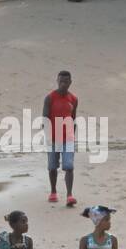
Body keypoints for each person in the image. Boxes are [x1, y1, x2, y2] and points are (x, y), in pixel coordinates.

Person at [42, 70, 78, 207]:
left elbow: (73, 118)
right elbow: (45, 119)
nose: (63, 84)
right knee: (52, 167)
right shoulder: (50, 98)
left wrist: (72, 135)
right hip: (53, 138)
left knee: (69, 166)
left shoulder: (73, 99)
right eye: (61, 81)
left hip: (68, 138)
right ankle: (53, 191)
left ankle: (69, 195)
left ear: (70, 82)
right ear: (57, 81)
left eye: (66, 81)